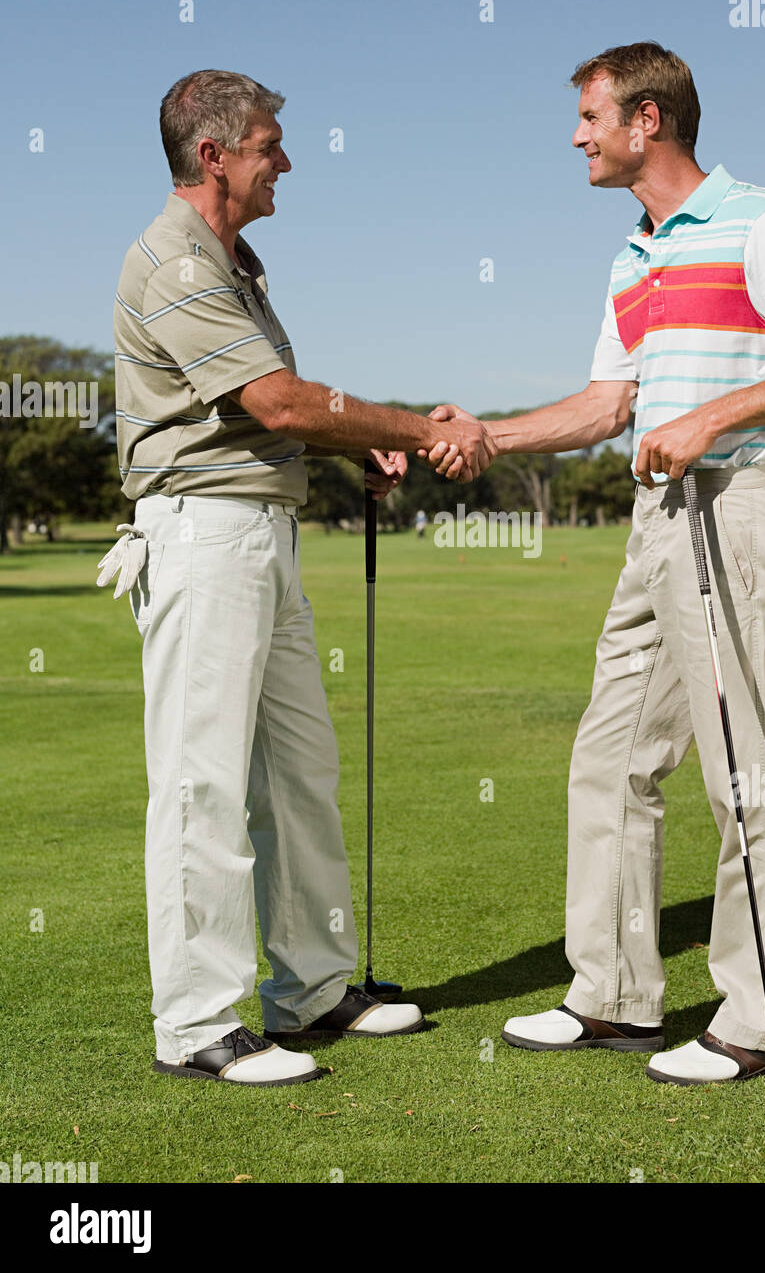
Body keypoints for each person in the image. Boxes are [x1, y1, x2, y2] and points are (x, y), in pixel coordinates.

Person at [425, 42, 765, 1084]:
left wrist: (711, 418)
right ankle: (616, 998)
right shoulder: (635, 256)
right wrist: (485, 435)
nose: (577, 136)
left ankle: (760, 1024)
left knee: (744, 770)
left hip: (732, 511)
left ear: (648, 121)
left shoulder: (761, 220)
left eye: (590, 117)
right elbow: (604, 405)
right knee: (609, 756)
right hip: (657, 527)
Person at [105, 69, 493, 1087]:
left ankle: (313, 986)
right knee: (203, 783)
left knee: (297, 771)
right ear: (214, 155)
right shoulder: (179, 261)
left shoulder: (239, 263)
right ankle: (194, 1022)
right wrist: (415, 426)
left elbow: (267, 415)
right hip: (200, 535)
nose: (286, 161)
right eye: (271, 144)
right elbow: (280, 403)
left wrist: (352, 447)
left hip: (258, 533)